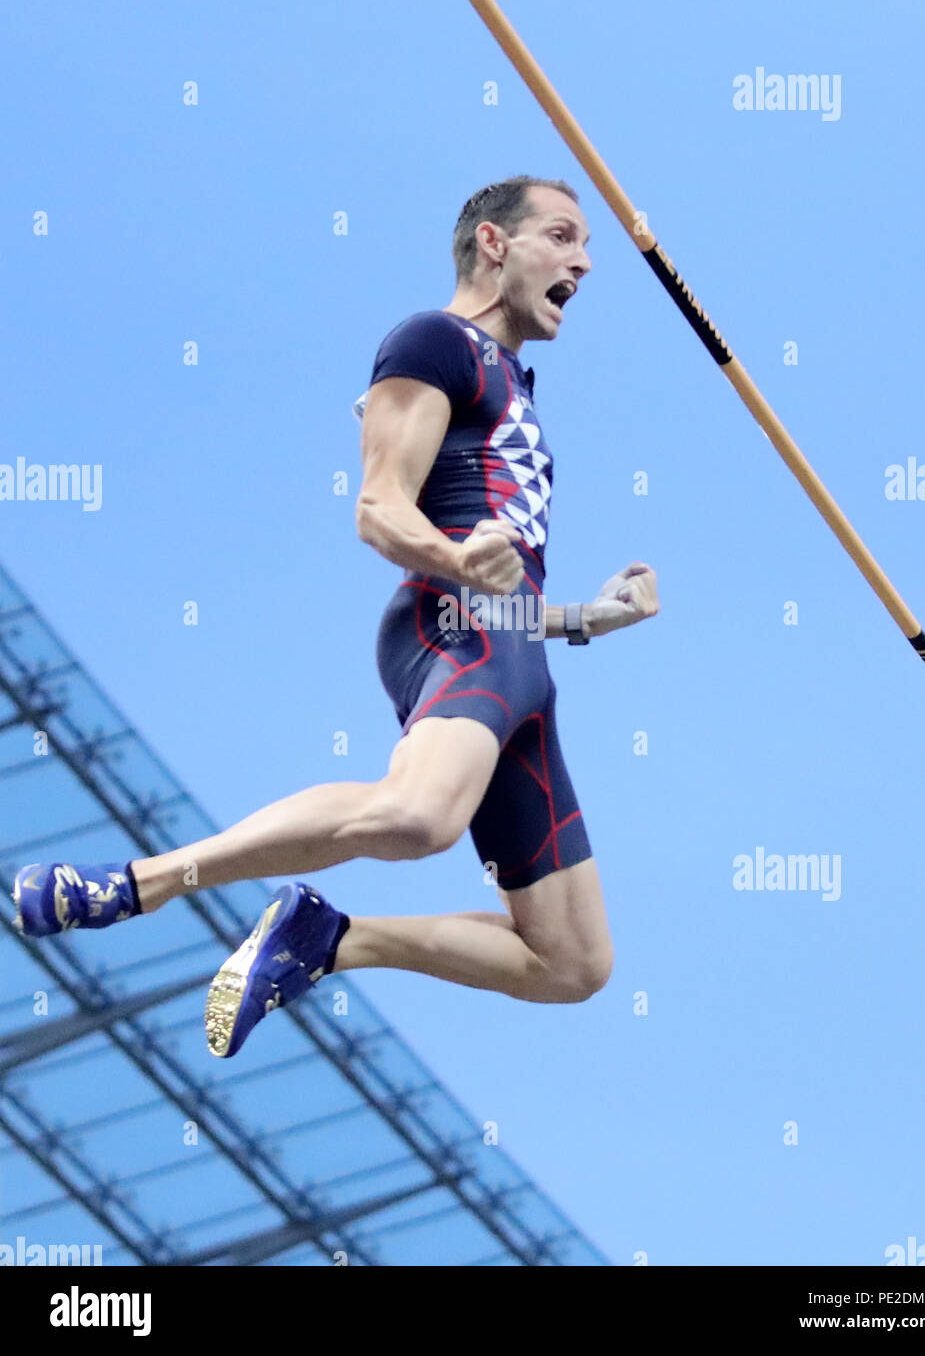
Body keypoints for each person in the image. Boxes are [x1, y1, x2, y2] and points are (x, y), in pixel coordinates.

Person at [12, 176, 659, 1058]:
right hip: (450, 626)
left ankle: (329, 940)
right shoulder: (434, 343)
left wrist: (586, 618)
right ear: (493, 244)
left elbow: (506, 577)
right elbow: (378, 510)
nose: (583, 259)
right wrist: (458, 557)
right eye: (563, 235)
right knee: (419, 817)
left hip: (516, 657)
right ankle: (138, 884)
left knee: (574, 962)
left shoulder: (518, 384)